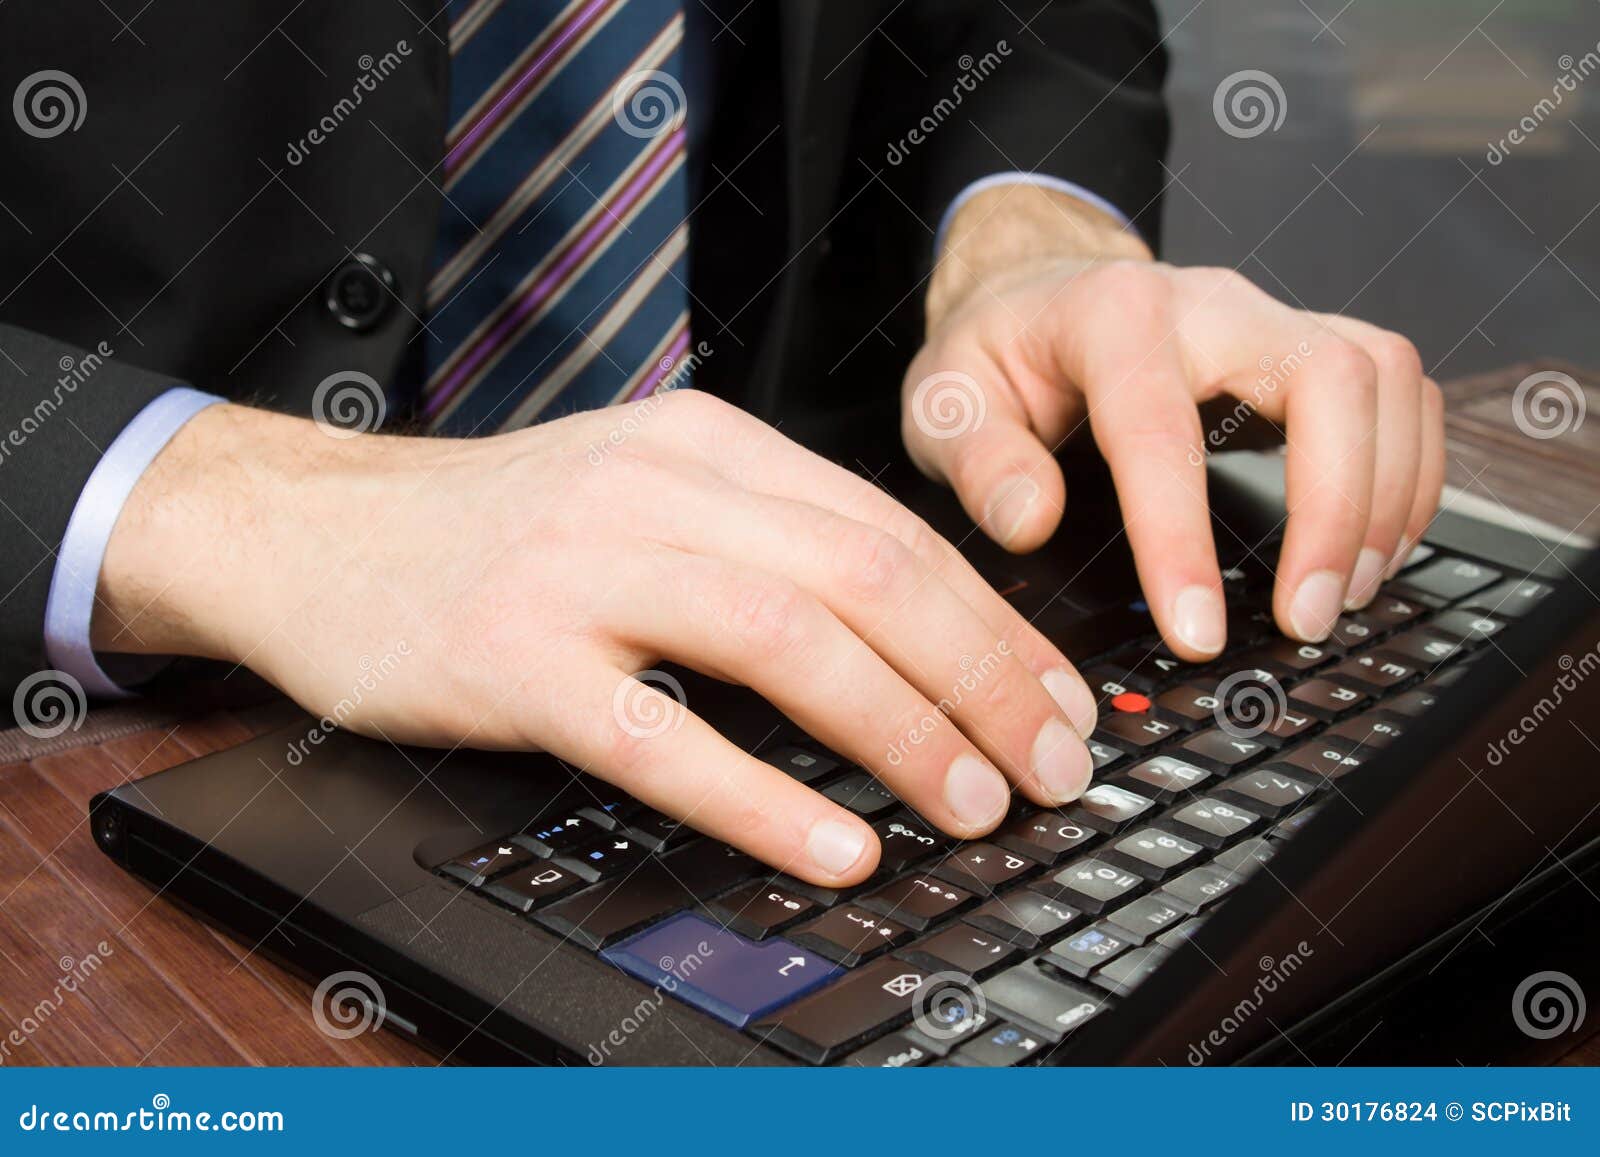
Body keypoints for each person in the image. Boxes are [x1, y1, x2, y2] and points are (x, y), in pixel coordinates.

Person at [0, 1, 1441, 887]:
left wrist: (1025, 228)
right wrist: (243, 509)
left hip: (801, 673)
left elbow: (1037, 20)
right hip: (102, 749)